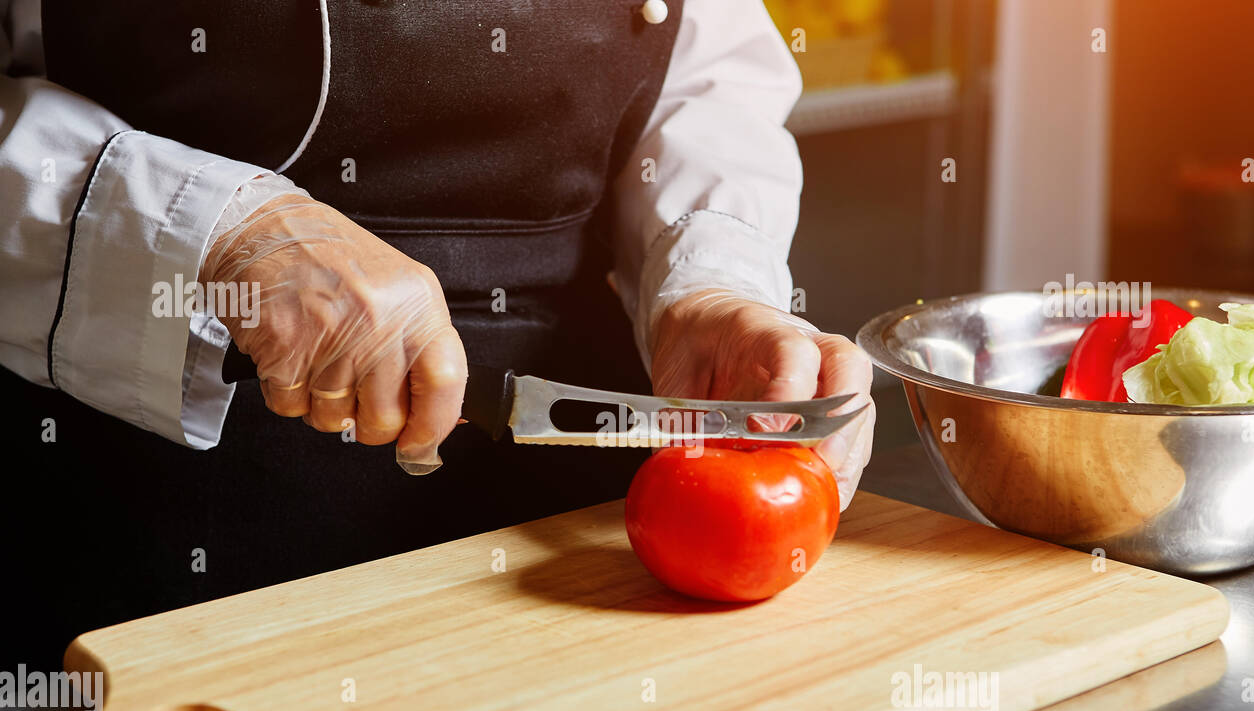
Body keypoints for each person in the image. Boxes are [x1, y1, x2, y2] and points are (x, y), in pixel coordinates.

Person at [0, 0, 874, 662]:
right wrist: (219, 235)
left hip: (585, 540)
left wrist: (713, 278)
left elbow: (708, 61)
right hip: (167, 541)